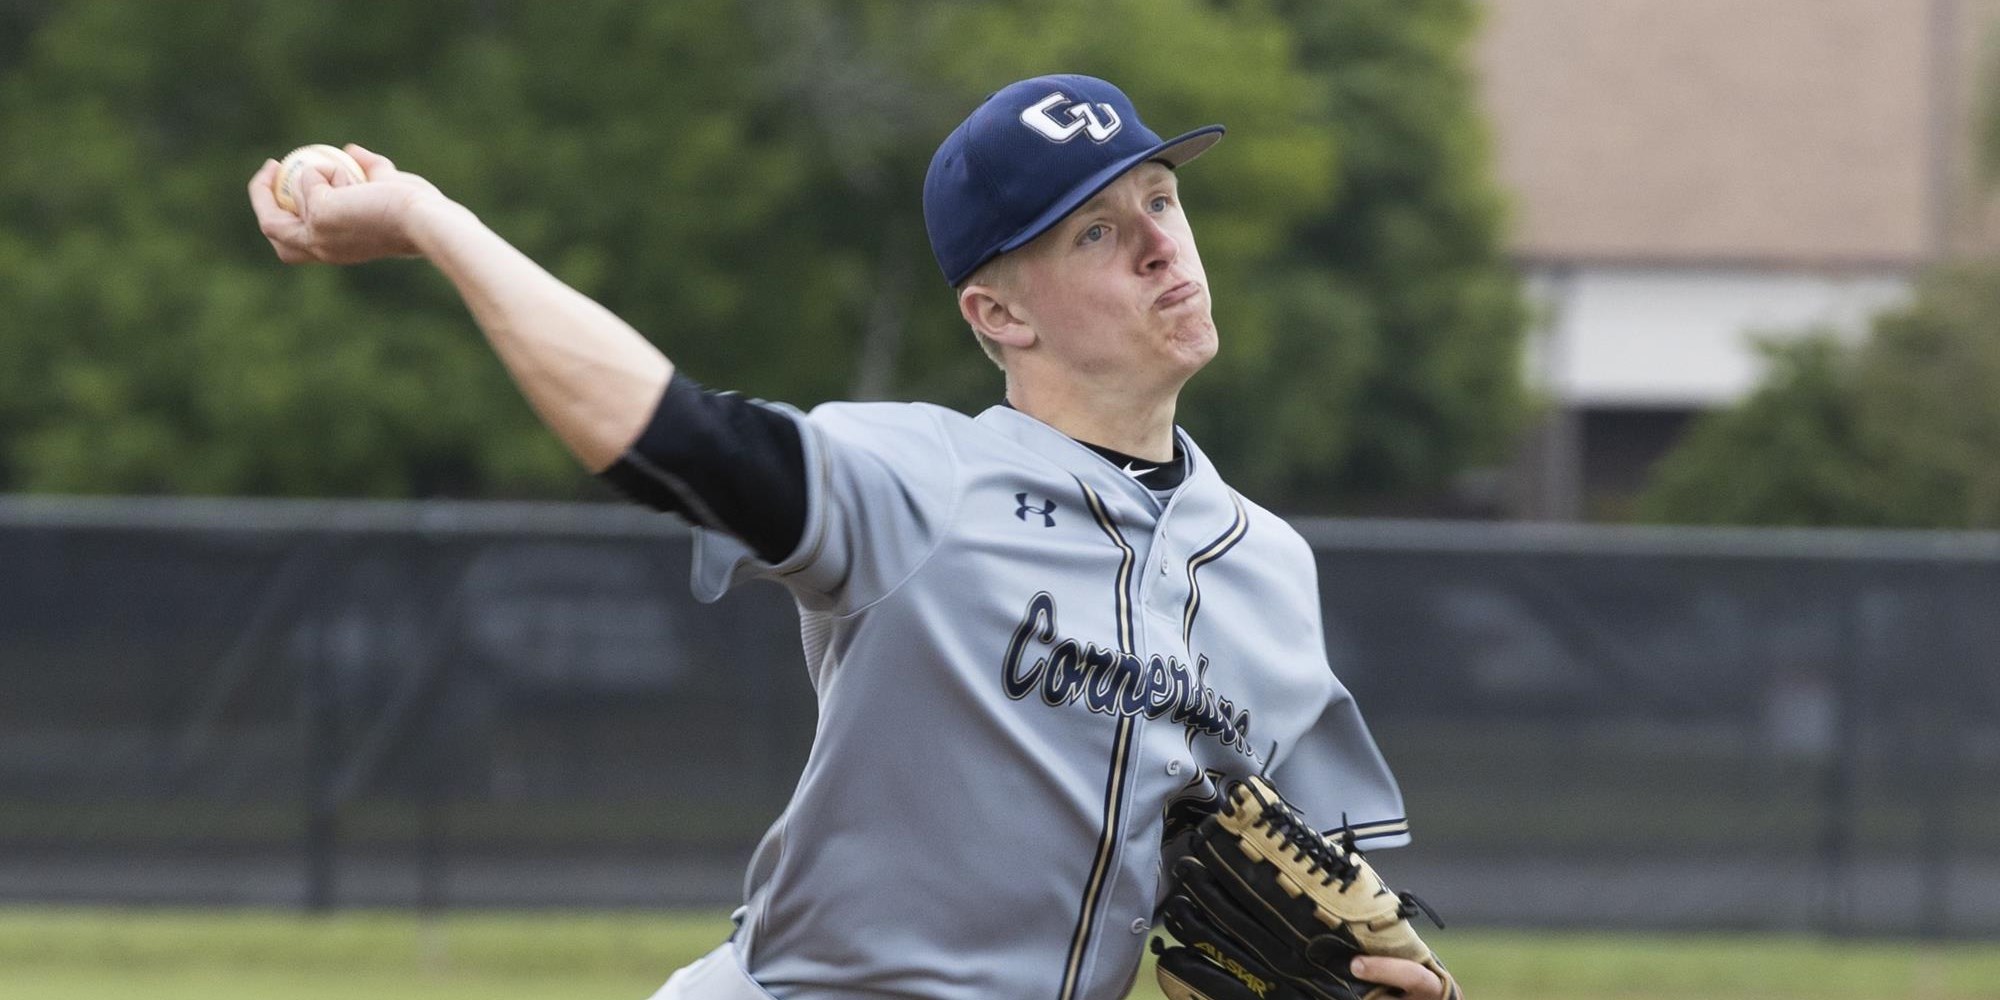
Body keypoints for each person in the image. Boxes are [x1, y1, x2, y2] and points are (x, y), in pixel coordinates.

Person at [248, 73, 1447, 1000]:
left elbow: (1345, 895)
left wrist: (1405, 979)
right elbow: (669, 435)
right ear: (996, 313)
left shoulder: (1264, 565)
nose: (1156, 245)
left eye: (1160, 199)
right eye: (1092, 231)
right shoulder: (922, 479)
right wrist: (433, 221)